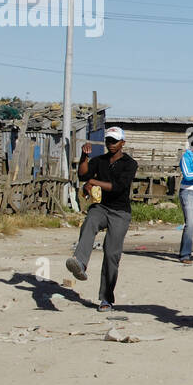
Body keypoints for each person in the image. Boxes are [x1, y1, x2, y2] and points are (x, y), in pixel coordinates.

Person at [66, 127, 138, 311]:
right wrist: (84, 157)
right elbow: (83, 175)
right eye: (108, 141)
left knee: (112, 254)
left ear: (123, 143)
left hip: (120, 212)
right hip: (102, 207)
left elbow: (118, 187)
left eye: (114, 141)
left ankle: (106, 298)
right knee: (90, 219)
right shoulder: (100, 161)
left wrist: (93, 182)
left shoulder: (130, 164)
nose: (111, 144)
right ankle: (80, 263)